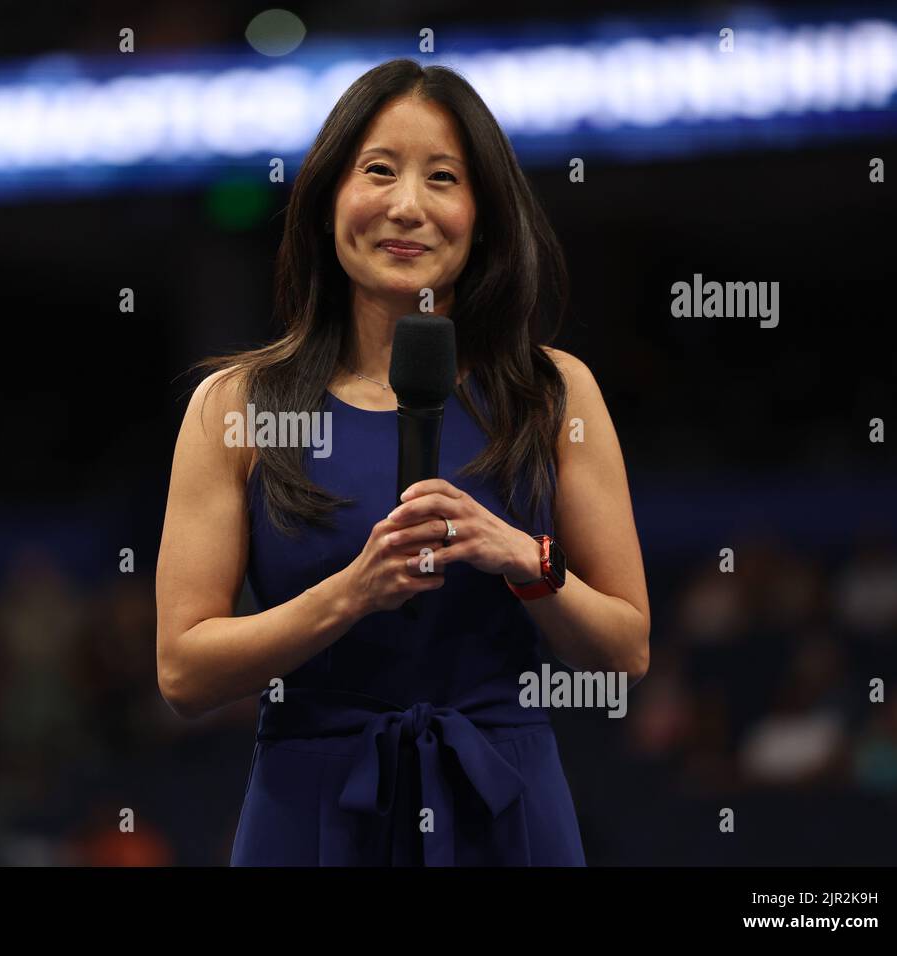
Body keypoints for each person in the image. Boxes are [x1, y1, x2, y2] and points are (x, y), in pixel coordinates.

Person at [155, 58, 649, 865]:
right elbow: (184, 672)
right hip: (309, 807)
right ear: (325, 203)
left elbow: (625, 648)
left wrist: (522, 557)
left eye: (444, 178)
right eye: (378, 171)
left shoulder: (555, 392)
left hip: (506, 802)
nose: (407, 206)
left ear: (482, 216)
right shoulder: (236, 405)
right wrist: (351, 594)